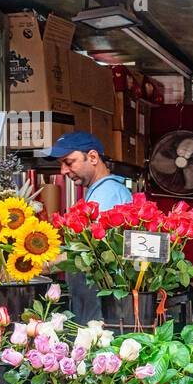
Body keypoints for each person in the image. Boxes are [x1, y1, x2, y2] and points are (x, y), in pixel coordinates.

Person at [45, 131, 132, 323]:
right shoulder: (102, 192)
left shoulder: (106, 194)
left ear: (92, 157)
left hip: (105, 305)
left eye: (69, 162)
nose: (63, 171)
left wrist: (39, 265)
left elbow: (91, 252)